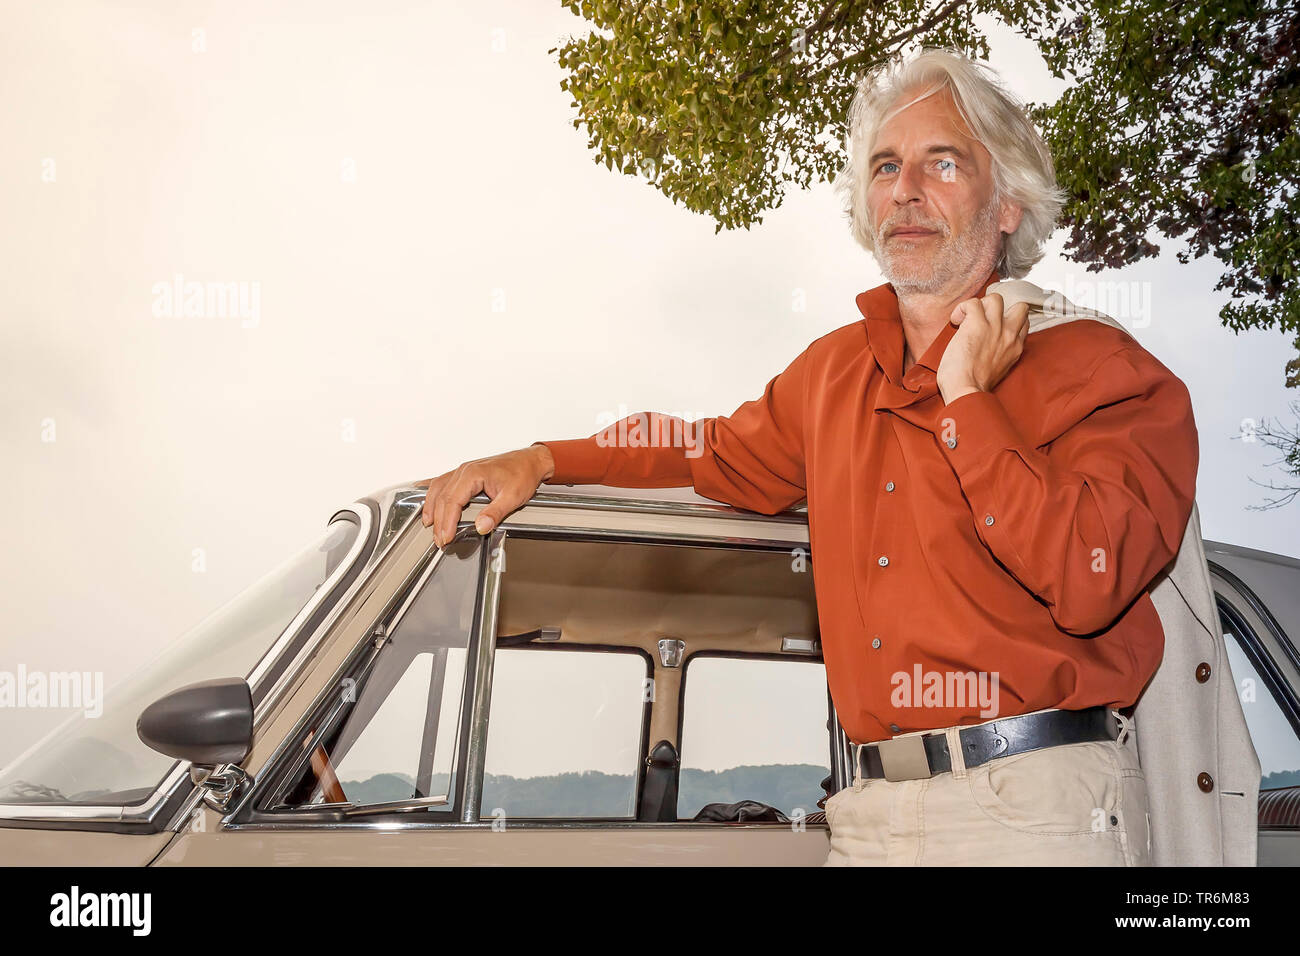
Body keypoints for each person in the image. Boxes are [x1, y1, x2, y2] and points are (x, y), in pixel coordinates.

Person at [418, 47, 1199, 866]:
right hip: (866, 814)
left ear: (1007, 204)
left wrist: (968, 398)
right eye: (886, 167)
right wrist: (544, 458)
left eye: (942, 163)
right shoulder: (831, 374)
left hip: (1037, 813)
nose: (905, 190)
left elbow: (1088, 579)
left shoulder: (1108, 372)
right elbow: (704, 450)